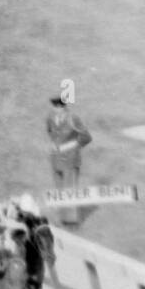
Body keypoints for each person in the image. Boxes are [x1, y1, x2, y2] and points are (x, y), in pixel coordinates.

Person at [47, 94, 92, 227]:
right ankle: (62, 218)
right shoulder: (50, 118)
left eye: (60, 106)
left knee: (70, 190)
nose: (57, 109)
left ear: (64, 106)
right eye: (55, 106)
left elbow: (86, 137)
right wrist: (53, 145)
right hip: (56, 159)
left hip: (71, 159)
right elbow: (51, 133)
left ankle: (71, 221)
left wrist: (68, 146)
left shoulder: (73, 119)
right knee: (60, 190)